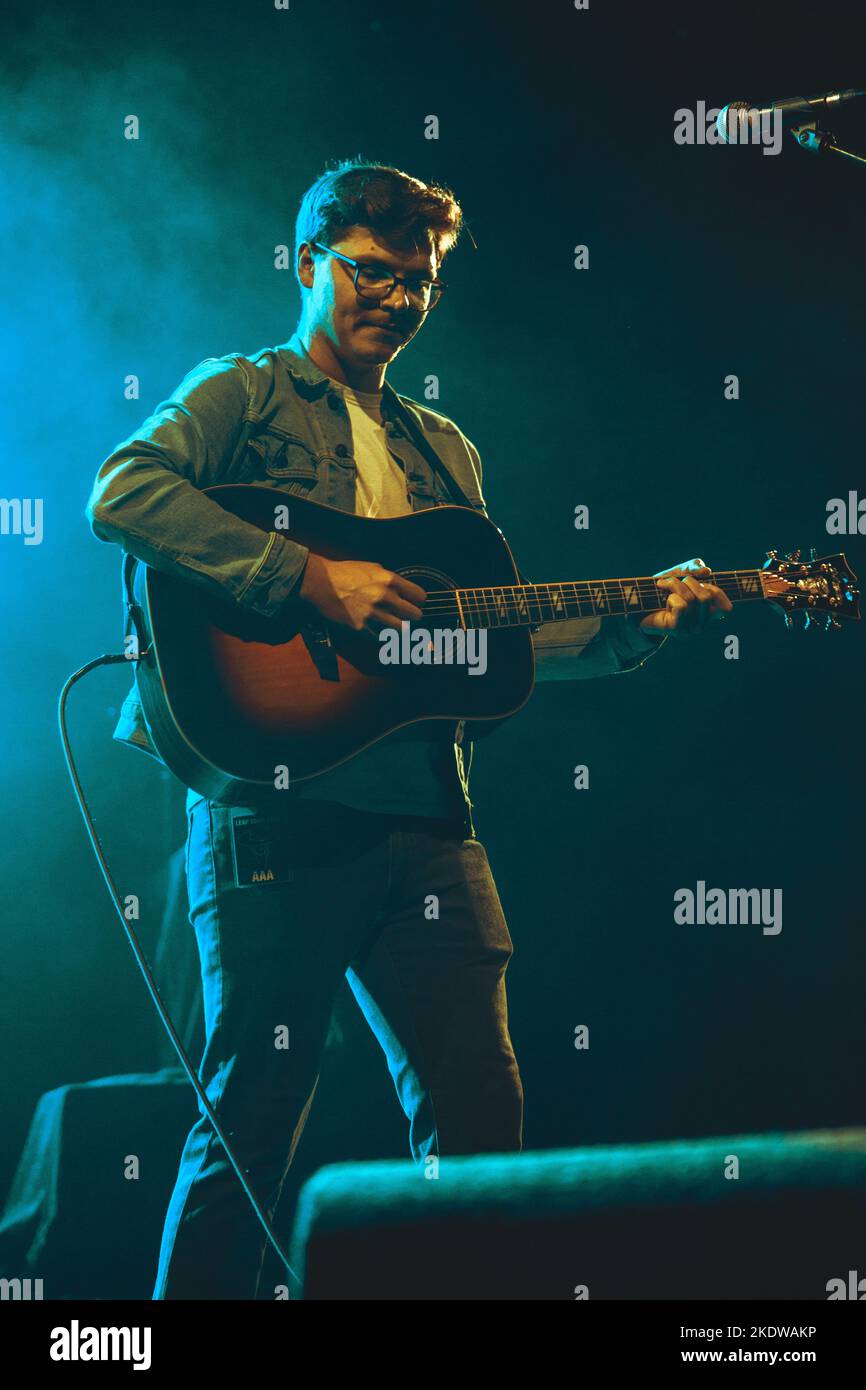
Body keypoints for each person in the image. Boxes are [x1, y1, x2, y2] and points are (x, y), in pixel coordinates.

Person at [85, 158, 732, 1299]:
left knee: (482, 1131)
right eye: (371, 273)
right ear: (306, 263)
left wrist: (636, 626)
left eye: (417, 282)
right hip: (277, 820)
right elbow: (123, 492)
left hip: (429, 822)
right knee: (250, 1127)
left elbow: (481, 651)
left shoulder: (448, 451)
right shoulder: (243, 392)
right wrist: (308, 578)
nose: (396, 298)